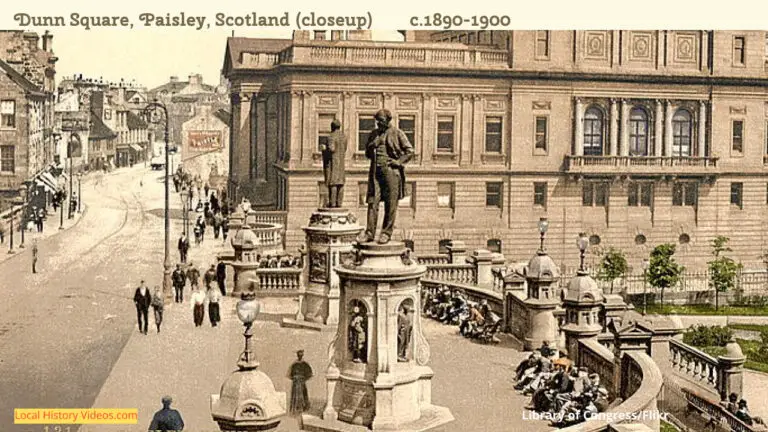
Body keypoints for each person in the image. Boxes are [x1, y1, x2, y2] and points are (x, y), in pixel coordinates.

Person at [357, 109, 414, 244]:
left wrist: (398, 162)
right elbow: (367, 153)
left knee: (391, 203)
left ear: (388, 121)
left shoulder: (397, 133)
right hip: (375, 173)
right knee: (372, 202)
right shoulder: (374, 134)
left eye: (381, 122)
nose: (378, 124)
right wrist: (372, 145)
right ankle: (369, 233)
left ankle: (386, 233)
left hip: (391, 172)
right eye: (377, 122)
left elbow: (409, 151)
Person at [321, 119, 347, 208]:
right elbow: (345, 149)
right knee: (341, 183)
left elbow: (331, 149)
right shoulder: (344, 137)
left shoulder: (331, 137)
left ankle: (332, 204)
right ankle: (339, 203)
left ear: (332, 127)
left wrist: (324, 150)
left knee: (333, 183)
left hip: (333, 163)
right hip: (341, 164)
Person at [288, 350, 314, 415]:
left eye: (301, 354)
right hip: (296, 382)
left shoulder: (305, 364)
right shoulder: (294, 364)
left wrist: (303, 379)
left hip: (302, 382)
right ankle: (295, 408)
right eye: (298, 354)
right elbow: (290, 374)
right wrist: (295, 378)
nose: (300, 356)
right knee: (295, 395)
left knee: (302, 394)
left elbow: (309, 374)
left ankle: (302, 408)